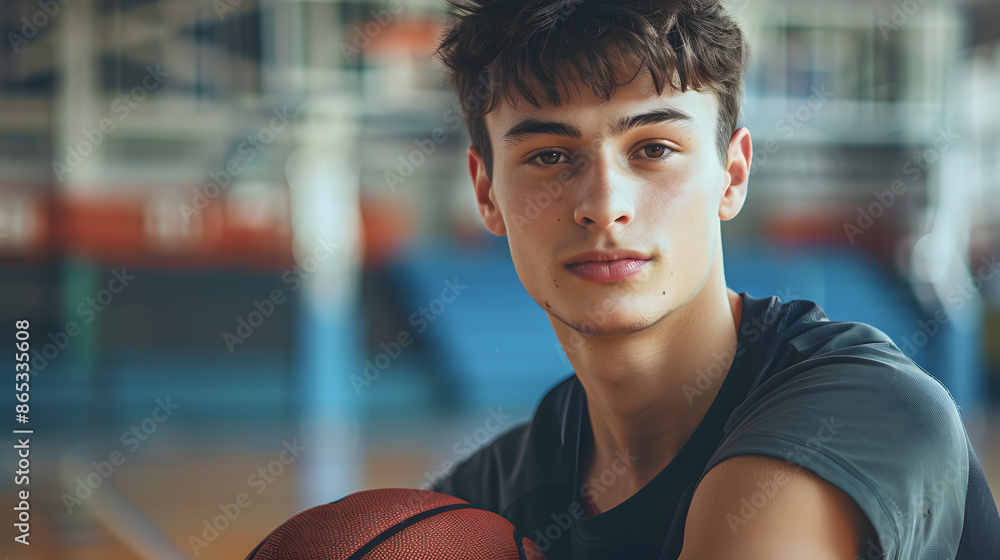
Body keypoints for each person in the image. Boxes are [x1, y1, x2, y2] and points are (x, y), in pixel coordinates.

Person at [428, 1, 1000, 559]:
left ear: (732, 175)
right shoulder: (485, 500)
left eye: (654, 149)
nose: (604, 205)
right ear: (486, 192)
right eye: (550, 156)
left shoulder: (868, 412)